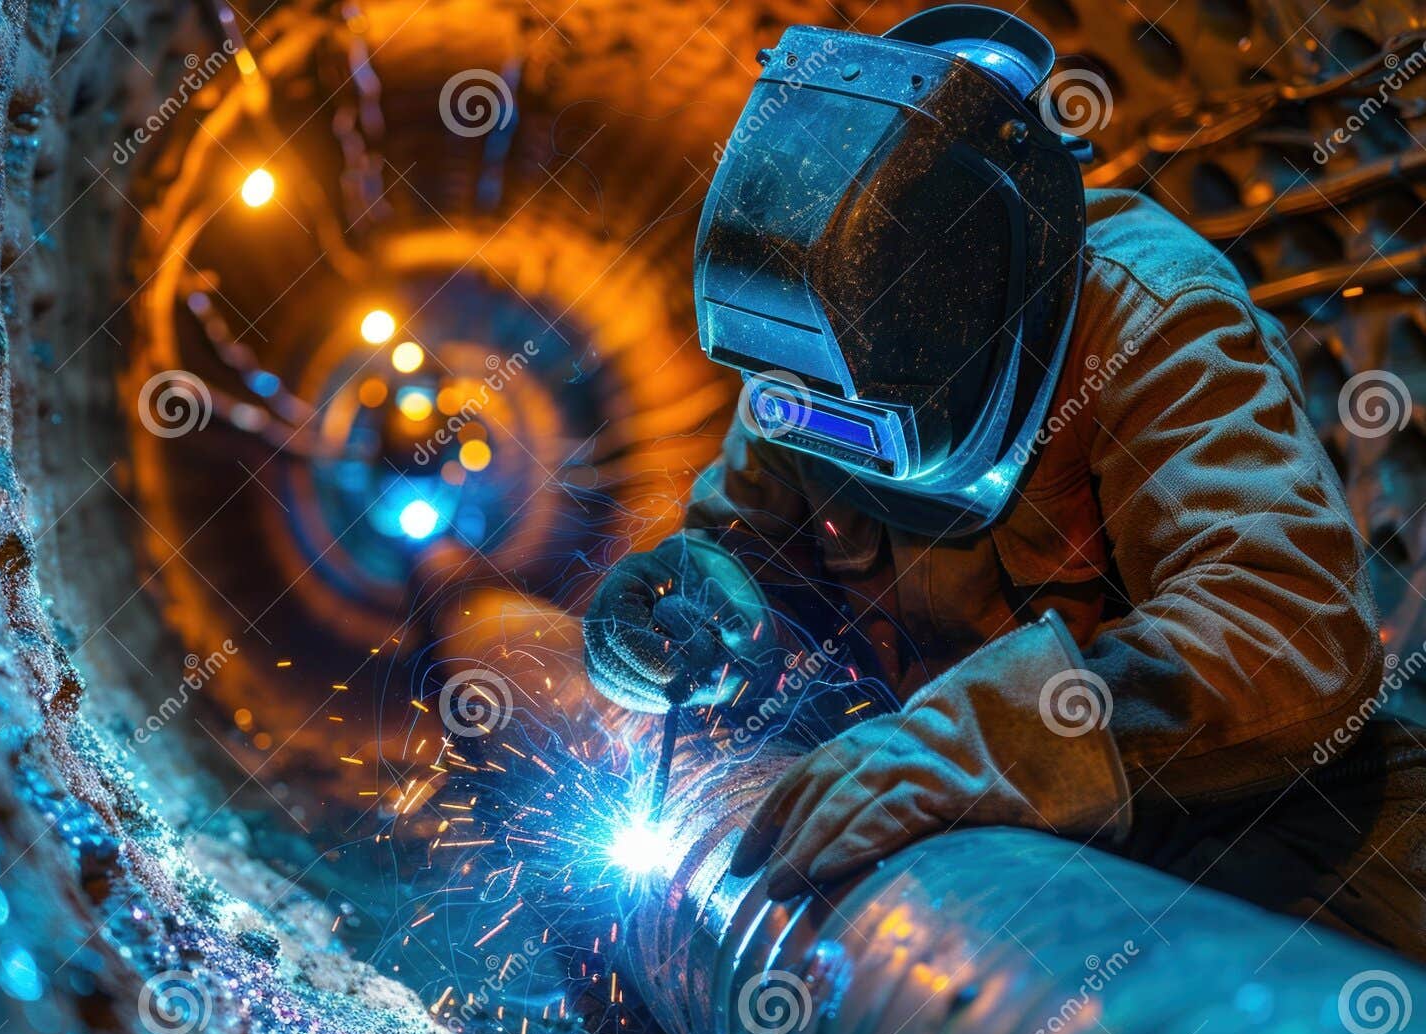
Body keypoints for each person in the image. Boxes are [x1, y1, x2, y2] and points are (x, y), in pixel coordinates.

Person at [582, 5, 1426, 958]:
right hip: (1021, 846)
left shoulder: (1150, 319)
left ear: (977, 284)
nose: (818, 417)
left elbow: (1288, 631)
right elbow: (758, 558)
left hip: (1270, 827)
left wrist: (982, 743)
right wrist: (695, 605)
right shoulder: (808, 336)